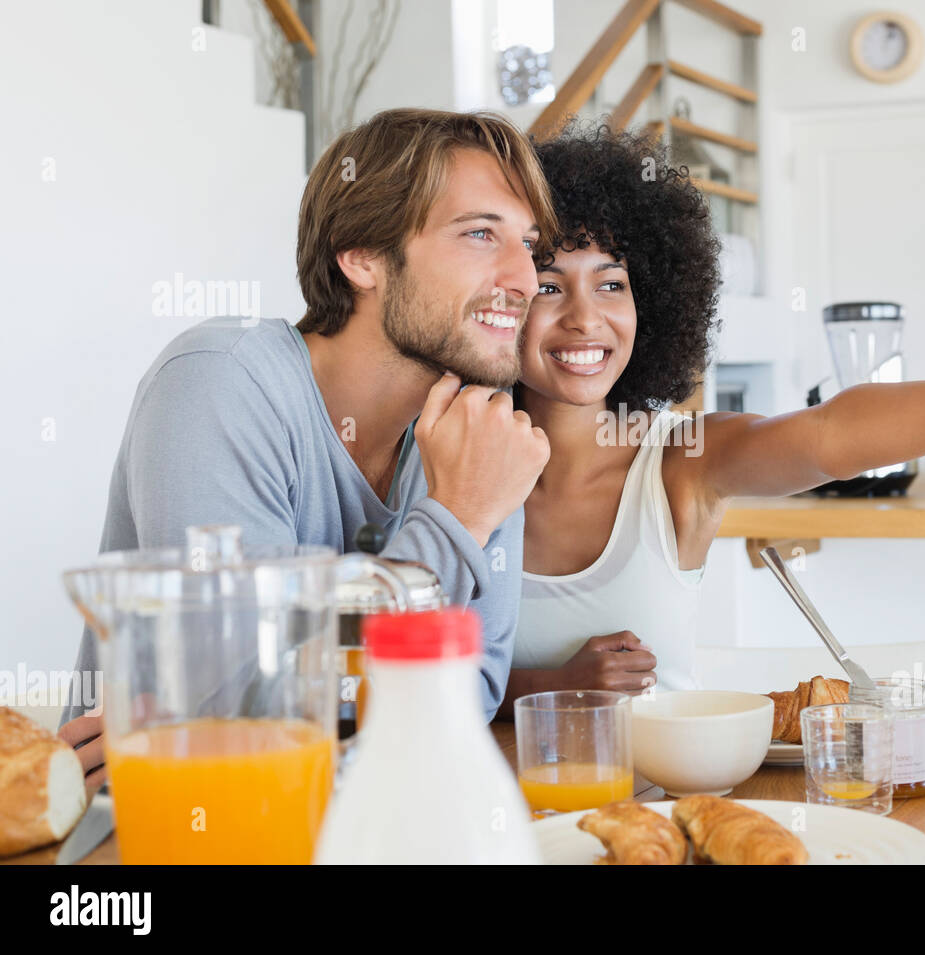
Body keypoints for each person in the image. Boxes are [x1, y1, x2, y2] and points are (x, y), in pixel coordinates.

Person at [502, 123, 925, 707]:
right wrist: (548, 685)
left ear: (650, 302)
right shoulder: (444, 469)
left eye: (613, 282)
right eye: (549, 285)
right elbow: (396, 674)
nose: (585, 317)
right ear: (501, 299)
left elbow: (831, 433)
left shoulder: (681, 464)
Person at [58, 109, 555, 794]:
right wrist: (455, 521)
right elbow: (225, 702)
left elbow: (458, 707)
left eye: (528, 244)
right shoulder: (220, 380)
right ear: (361, 255)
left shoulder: (485, 439)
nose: (527, 279)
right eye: (479, 234)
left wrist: (264, 703)